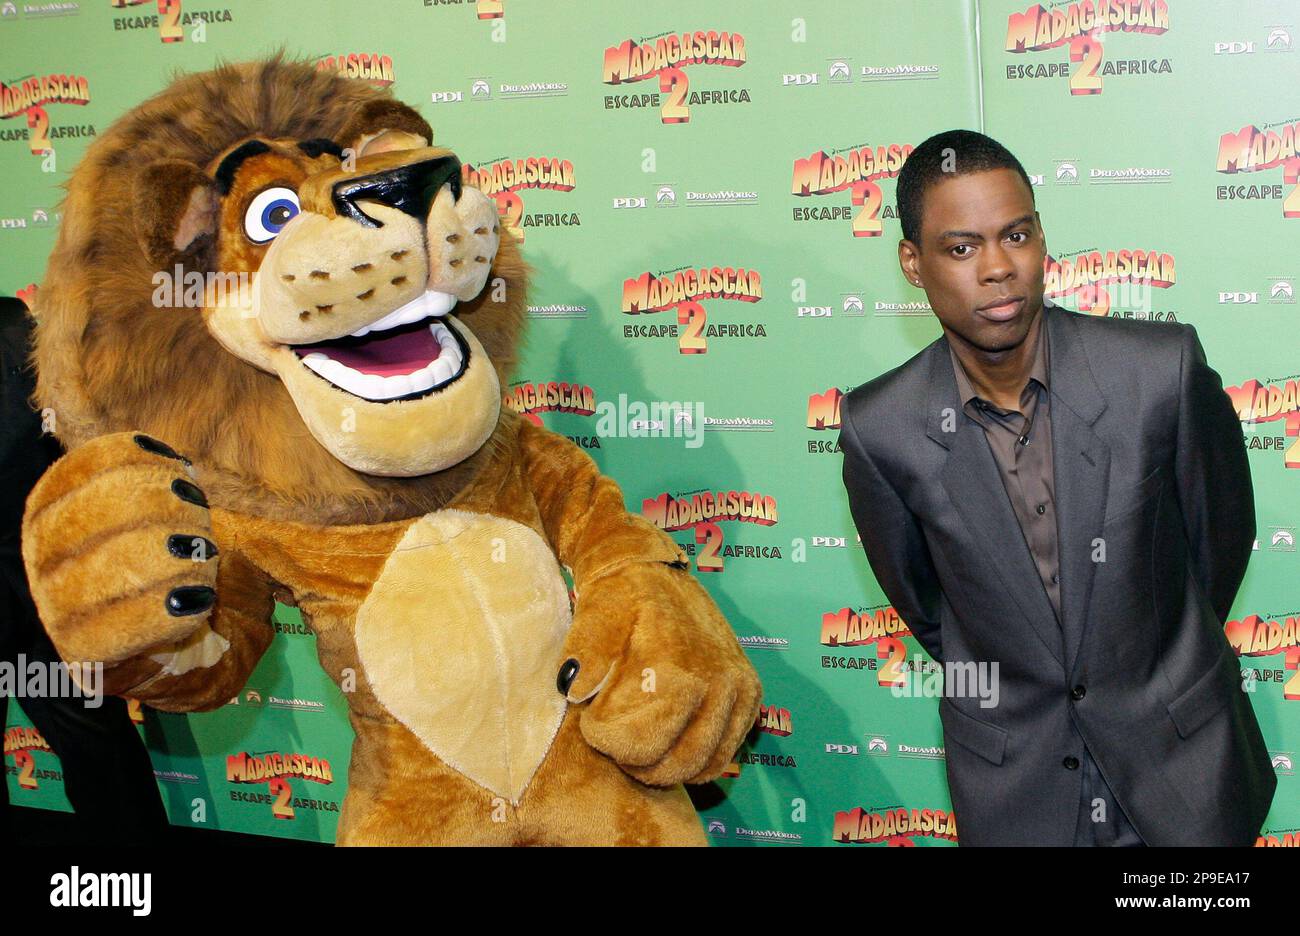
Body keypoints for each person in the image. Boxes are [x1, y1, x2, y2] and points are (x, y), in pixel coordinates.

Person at [838, 129, 1275, 846]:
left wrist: (1144, 660)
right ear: (913, 264)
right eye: (961, 248)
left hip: (1183, 770)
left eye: (1016, 235)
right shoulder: (880, 427)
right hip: (1019, 791)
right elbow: (930, 611)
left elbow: (1217, 545)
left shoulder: (1157, 372)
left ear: (1042, 237)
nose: (998, 268)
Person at [0, 296, 169, 845]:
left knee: (95, 743)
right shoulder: (29, 335)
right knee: (95, 743)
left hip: (47, 585)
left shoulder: (33, 337)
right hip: (47, 585)